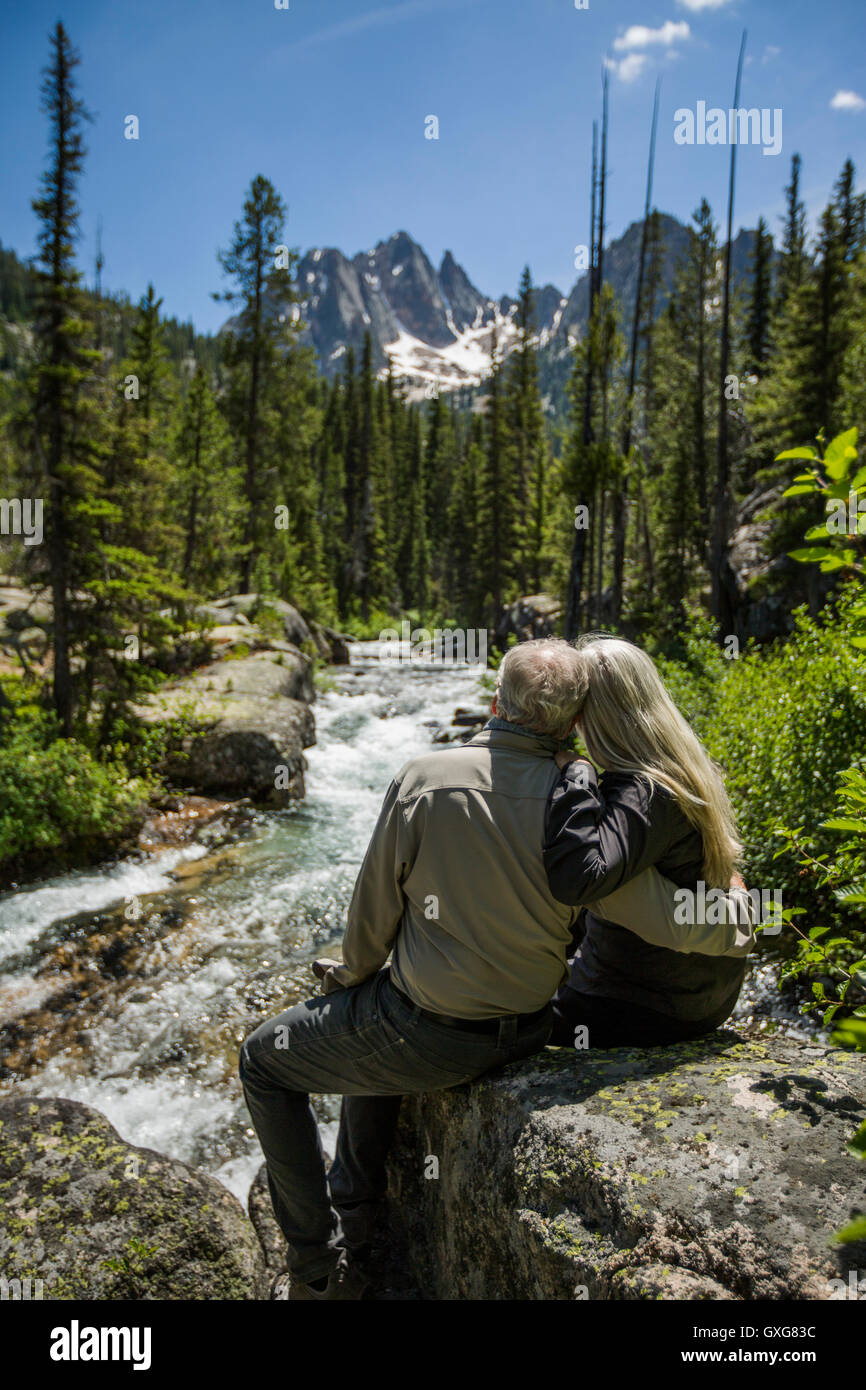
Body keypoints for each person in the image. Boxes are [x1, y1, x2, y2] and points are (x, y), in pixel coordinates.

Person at [238, 638, 721, 1301]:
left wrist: (350, 976)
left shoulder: (424, 779)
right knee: (373, 1017)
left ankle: (318, 1266)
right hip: (527, 1025)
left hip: (435, 1034)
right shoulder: (580, 800)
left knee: (264, 1061)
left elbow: (369, 926)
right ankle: (355, 1214)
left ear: (497, 701)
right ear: (572, 722)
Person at [543, 633, 753, 1050]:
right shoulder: (684, 768)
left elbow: (580, 879)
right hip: (708, 998)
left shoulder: (640, 792)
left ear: (590, 714)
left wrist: (576, 775)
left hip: (636, 1006)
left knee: (477, 1025)